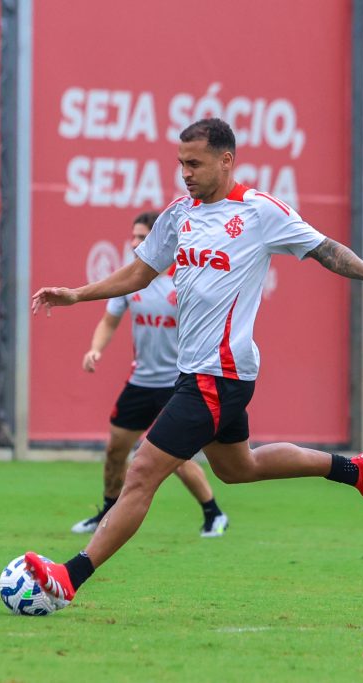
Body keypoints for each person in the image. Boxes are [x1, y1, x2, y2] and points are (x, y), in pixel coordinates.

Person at [26, 118, 363, 611]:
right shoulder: (178, 214)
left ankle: (69, 577)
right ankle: (355, 469)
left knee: (142, 470)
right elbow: (141, 271)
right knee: (238, 467)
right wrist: (77, 294)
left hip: (221, 373)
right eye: (180, 164)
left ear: (226, 160)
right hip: (199, 372)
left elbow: (323, 249)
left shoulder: (258, 212)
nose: (184, 173)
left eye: (194, 163)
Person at [73, 211, 229, 538]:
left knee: (172, 456)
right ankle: (107, 510)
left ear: (161, 240)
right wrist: (95, 348)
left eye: (142, 238)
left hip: (176, 384)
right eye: (132, 237)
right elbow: (109, 321)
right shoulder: (131, 283)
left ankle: (213, 513)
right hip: (140, 382)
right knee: (116, 450)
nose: (134, 243)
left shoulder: (183, 280)